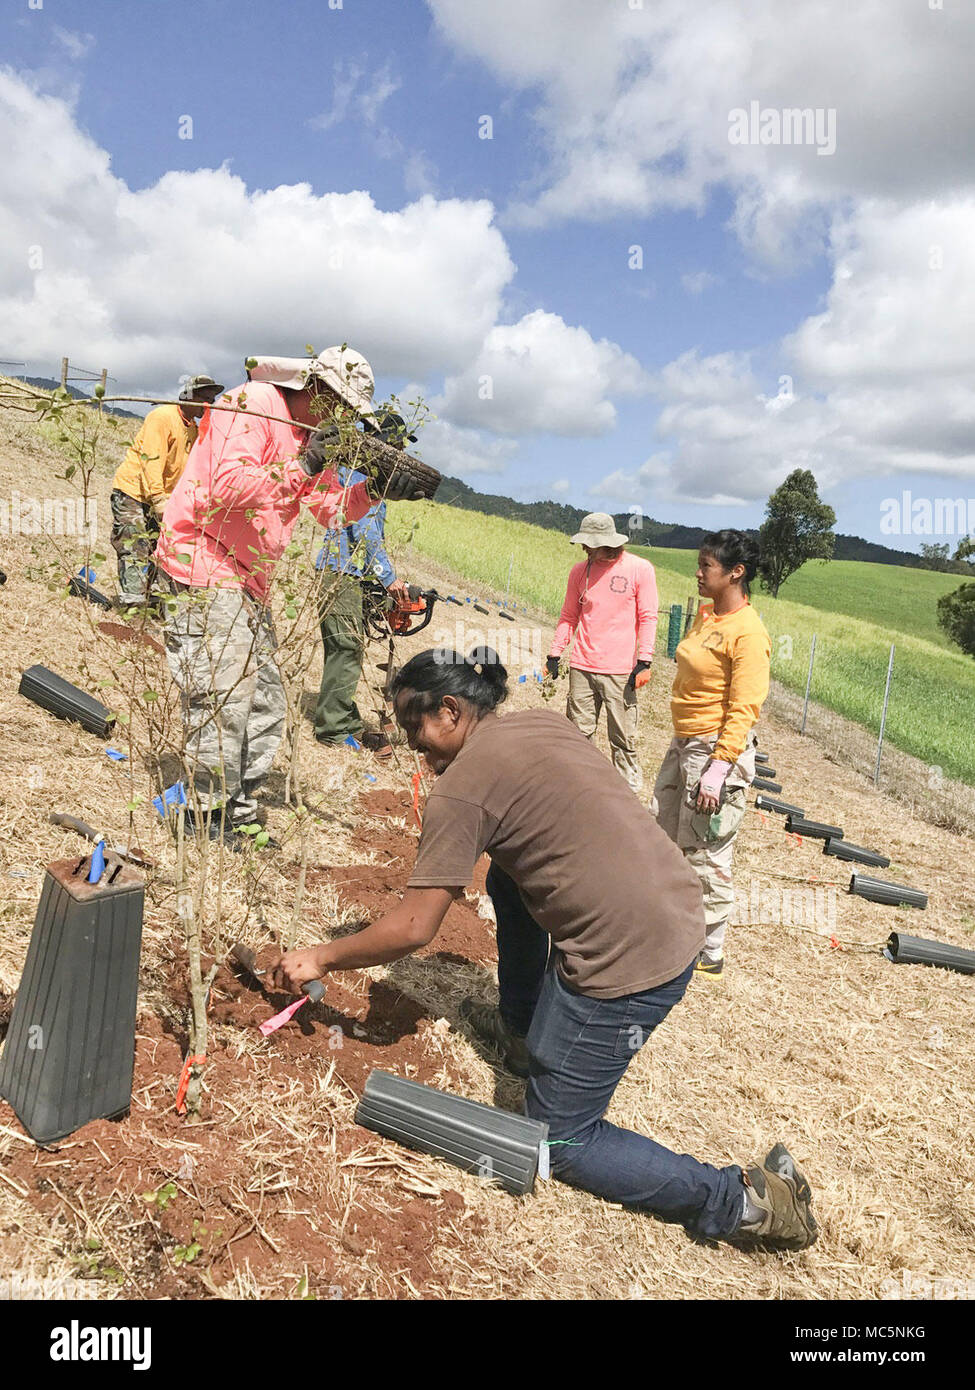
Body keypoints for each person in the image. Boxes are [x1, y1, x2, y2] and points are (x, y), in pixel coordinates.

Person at [265, 646, 818, 1250]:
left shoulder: (461, 790)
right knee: (508, 872)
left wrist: (320, 956)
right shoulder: (540, 722)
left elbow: (415, 928)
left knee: (559, 1138)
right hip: (677, 910)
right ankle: (524, 1035)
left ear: (450, 710)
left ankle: (742, 1203)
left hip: (629, 959)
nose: (409, 744)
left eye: (413, 726)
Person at [155, 347, 404, 843]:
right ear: (317, 389)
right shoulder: (251, 403)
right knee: (223, 695)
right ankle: (204, 812)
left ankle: (240, 808)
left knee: (267, 699)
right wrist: (306, 463)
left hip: (247, 576)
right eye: (344, 407)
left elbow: (330, 510)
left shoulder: (309, 436)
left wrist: (374, 490)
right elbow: (227, 486)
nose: (347, 419)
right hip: (203, 557)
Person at [651, 531, 771, 979]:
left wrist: (719, 768)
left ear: (735, 573)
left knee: (706, 852)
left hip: (714, 750)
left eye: (707, 566)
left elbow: (745, 708)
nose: (698, 573)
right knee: (663, 836)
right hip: (684, 743)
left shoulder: (749, 633)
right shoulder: (705, 616)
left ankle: (709, 950)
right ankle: (670, 929)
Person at [313, 412, 415, 754]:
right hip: (341, 572)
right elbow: (366, 532)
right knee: (345, 649)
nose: (401, 450)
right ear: (382, 440)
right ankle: (333, 729)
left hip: (351, 573)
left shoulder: (364, 472)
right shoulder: (361, 474)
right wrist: (389, 579)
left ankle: (345, 721)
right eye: (397, 443)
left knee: (347, 650)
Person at [546, 512, 658, 793]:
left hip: (620, 671)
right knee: (578, 735)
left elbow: (648, 616)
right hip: (582, 667)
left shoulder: (639, 569)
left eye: (590, 543)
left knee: (622, 737)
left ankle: (627, 791)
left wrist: (644, 660)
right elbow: (569, 615)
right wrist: (555, 653)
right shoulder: (578, 572)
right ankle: (581, 789)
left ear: (607, 542)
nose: (584, 547)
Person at [109, 375, 224, 598]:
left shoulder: (191, 428)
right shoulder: (162, 417)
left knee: (156, 548)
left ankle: (148, 598)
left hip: (160, 498)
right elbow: (152, 460)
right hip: (134, 493)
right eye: (204, 399)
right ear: (189, 396)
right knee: (134, 547)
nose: (208, 405)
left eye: (212, 400)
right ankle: (132, 604)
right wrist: (160, 500)